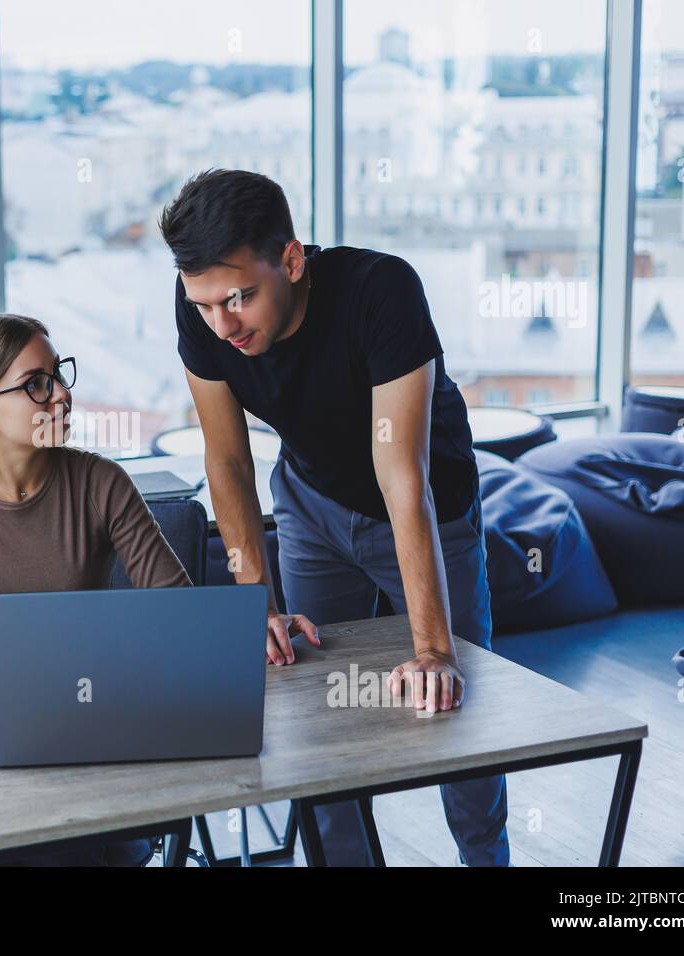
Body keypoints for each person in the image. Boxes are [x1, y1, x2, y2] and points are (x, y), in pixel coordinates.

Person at [158, 168, 510, 867]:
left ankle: (485, 859)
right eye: (205, 306)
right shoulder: (201, 304)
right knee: (318, 706)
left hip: (424, 507)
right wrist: (251, 605)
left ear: (291, 260)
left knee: (455, 706)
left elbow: (400, 474)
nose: (222, 324)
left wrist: (433, 648)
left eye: (240, 299)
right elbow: (226, 463)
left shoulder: (380, 290)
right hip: (311, 504)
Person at [0, 313, 191, 866]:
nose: (61, 395)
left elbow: (180, 608)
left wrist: (251, 624)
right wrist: (27, 662)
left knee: (65, 836)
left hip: (89, 711)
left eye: (59, 375)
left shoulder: (101, 482)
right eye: (36, 383)